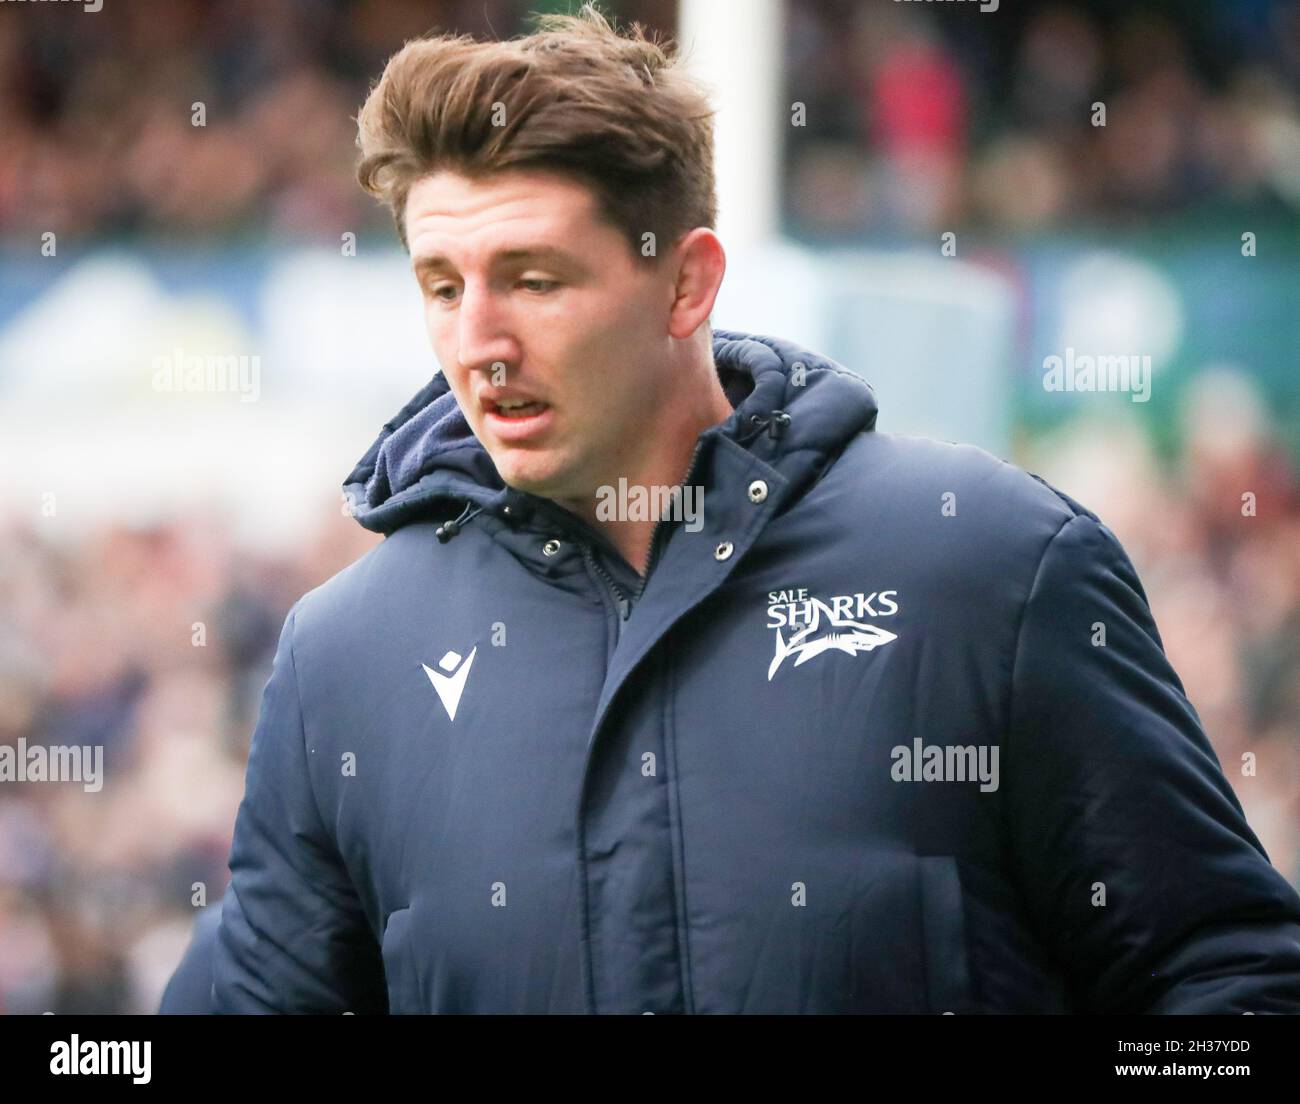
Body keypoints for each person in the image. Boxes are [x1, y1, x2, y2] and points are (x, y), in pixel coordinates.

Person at [208, 5, 1300, 1013]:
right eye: (442, 286)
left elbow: (1228, 987)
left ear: (686, 285)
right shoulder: (343, 661)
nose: (477, 343)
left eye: (533, 279)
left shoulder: (992, 565)